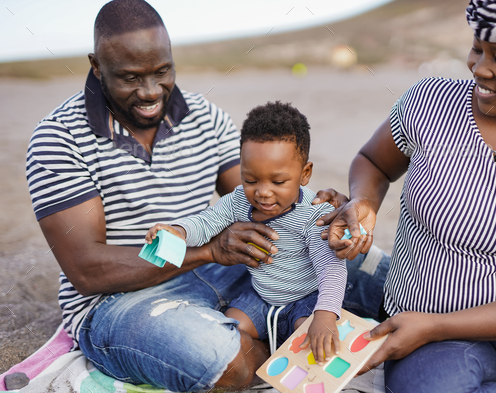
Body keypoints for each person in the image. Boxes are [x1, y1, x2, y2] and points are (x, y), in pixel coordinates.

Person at [25, 0, 389, 391]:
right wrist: (206, 251)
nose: (150, 91)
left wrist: (315, 203)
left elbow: (263, 192)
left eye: (162, 72)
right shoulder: (59, 139)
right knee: (217, 358)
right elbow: (89, 270)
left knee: (362, 263)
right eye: (130, 78)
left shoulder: (204, 116)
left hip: (224, 266)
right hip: (122, 299)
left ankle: (390, 331)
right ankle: (287, 345)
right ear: (97, 66)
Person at [321, 0, 496, 392]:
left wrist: (436, 325)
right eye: (478, 48)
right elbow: (372, 161)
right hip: (421, 323)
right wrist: (364, 201)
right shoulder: (429, 103)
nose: (479, 67)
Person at [147, 101, 345, 363]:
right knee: (230, 333)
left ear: (304, 174)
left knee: (312, 341)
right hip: (261, 296)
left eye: (278, 181)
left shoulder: (314, 215)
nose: (262, 192)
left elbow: (331, 268)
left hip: (305, 299)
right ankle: (263, 355)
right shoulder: (239, 201)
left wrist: (326, 314)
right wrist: (178, 231)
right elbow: (208, 222)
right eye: (250, 179)